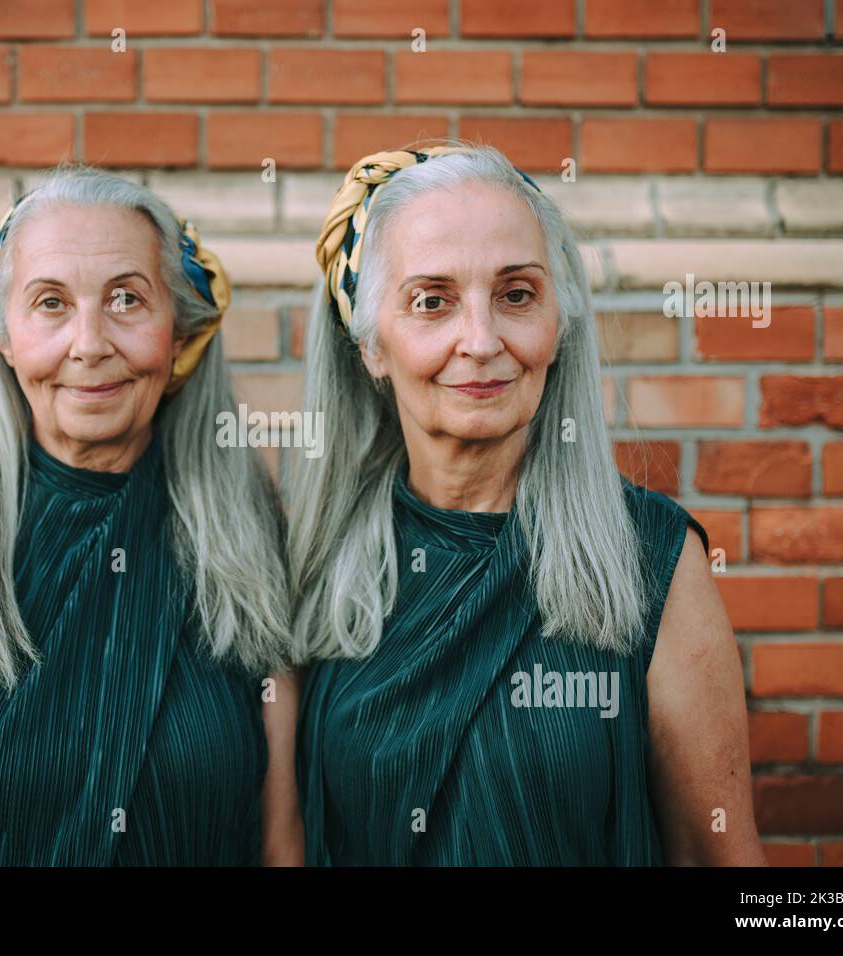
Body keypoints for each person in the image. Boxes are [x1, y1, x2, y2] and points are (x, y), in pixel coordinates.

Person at [0, 165, 302, 866]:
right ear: (2, 334)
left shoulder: (247, 550)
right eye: (50, 304)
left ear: (177, 332)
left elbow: (284, 848)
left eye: (128, 298)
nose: (90, 343)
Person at [289, 142, 767, 866]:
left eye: (516, 295)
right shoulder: (310, 563)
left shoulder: (651, 558)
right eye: (431, 301)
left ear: (559, 324)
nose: (481, 341)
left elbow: (717, 854)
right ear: (370, 346)